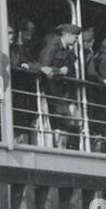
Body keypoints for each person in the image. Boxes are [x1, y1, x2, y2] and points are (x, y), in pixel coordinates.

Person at [37, 20, 83, 148]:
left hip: (61, 95)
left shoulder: (66, 51)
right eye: (74, 37)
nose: (75, 40)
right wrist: (60, 71)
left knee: (66, 124)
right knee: (58, 123)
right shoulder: (53, 47)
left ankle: (62, 147)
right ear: (67, 35)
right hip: (52, 92)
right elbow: (44, 67)